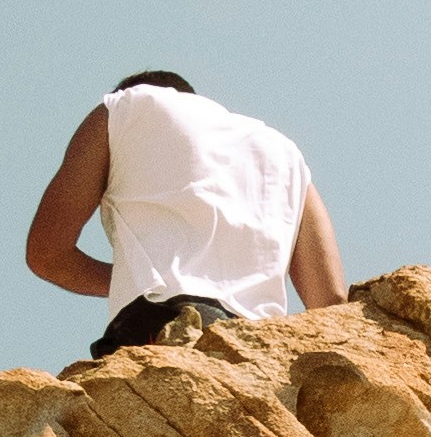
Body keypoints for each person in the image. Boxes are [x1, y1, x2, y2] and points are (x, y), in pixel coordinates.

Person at [24, 71, 343, 354]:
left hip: (166, 323)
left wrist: (128, 277)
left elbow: (47, 253)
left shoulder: (123, 107)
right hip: (259, 347)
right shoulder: (286, 153)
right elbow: (331, 303)